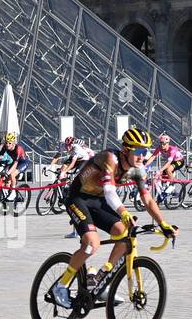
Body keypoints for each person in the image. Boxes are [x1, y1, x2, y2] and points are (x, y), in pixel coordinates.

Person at [51, 127, 177, 309]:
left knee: (124, 234)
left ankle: (100, 278)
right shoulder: (111, 158)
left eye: (146, 151)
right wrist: (124, 212)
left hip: (98, 199)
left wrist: (163, 224)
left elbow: (147, 199)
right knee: (91, 244)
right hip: (78, 197)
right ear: (126, 150)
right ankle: (60, 287)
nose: (143, 156)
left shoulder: (137, 170)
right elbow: (110, 191)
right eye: (139, 151)